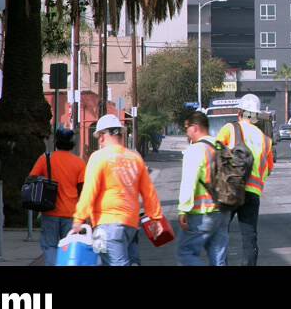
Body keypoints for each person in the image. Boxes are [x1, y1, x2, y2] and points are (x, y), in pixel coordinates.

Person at [71, 114, 164, 266]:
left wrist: (79, 219)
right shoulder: (135, 158)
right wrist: (156, 218)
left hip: (107, 224)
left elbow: (89, 191)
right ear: (121, 135)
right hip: (130, 225)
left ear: (102, 136)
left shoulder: (98, 158)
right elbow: (149, 192)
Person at [217, 96, 274, 266]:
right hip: (252, 193)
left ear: (239, 112)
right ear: (255, 116)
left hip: (231, 189)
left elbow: (214, 152)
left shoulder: (230, 129)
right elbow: (269, 169)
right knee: (249, 237)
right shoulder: (266, 140)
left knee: (221, 232)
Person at [177, 111, 231, 266]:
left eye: (187, 128)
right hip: (223, 210)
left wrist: (183, 210)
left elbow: (189, 182)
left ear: (195, 127)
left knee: (185, 253)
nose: (187, 132)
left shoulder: (195, 150)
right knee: (218, 259)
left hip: (202, 213)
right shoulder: (221, 146)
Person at [28, 127, 86, 266]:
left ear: (56, 142)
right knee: (70, 248)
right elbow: (83, 189)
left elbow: (31, 178)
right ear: (72, 144)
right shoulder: (79, 163)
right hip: (71, 213)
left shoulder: (45, 158)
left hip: (50, 211)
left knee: (49, 246)